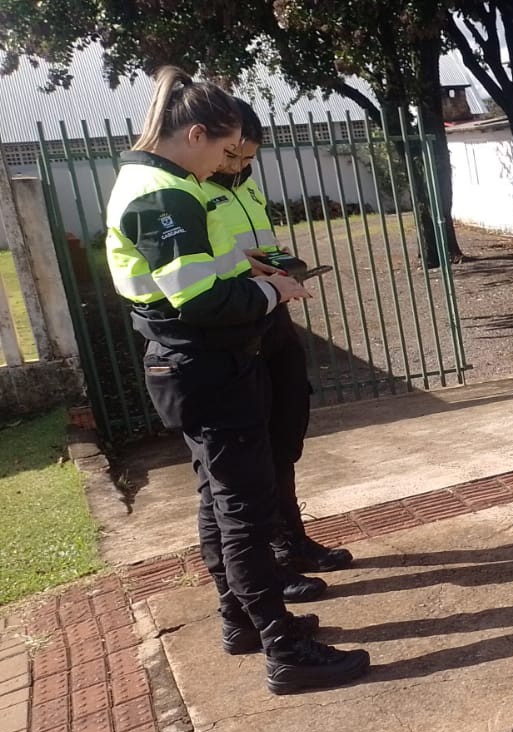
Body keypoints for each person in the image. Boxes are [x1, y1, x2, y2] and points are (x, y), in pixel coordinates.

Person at [105, 67, 369, 693]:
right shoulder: (160, 193)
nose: (230, 165)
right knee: (243, 513)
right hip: (206, 364)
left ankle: (241, 620)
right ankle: (283, 650)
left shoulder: (163, 183)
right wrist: (270, 290)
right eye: (226, 151)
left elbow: (196, 275)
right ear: (194, 133)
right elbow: (201, 302)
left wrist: (244, 267)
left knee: (220, 501)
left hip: (203, 364)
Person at [203, 99, 356, 583]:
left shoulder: (244, 188)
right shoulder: (193, 191)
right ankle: (268, 560)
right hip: (236, 331)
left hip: (274, 319)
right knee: (252, 453)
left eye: (248, 158)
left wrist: (279, 262)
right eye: (232, 156)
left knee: (285, 437)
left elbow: (256, 245)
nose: (238, 167)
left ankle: (292, 540)